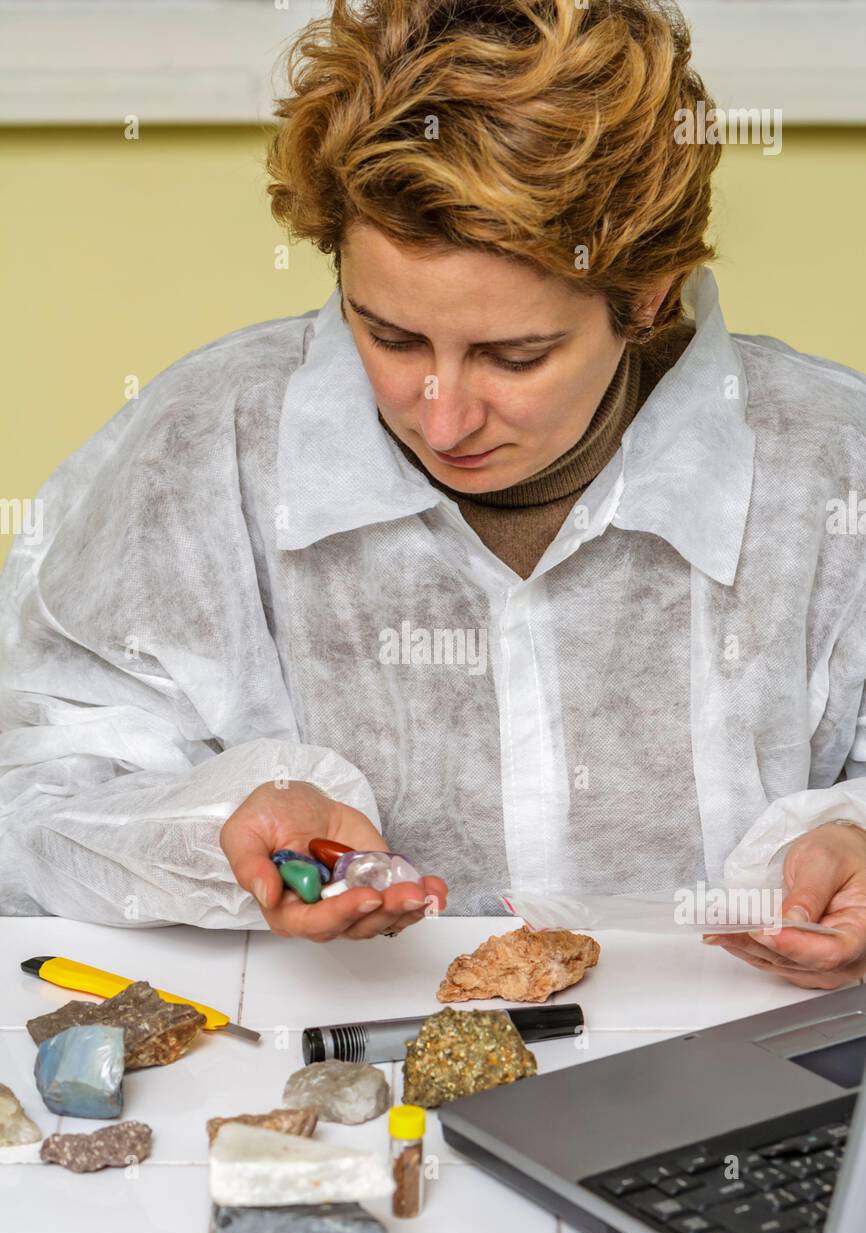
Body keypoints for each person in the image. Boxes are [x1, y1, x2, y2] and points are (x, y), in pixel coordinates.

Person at [1, 0, 865, 987]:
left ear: (647, 295)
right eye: (389, 335)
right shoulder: (211, 444)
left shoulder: (829, 462)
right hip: (318, 1076)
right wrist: (221, 827)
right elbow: (31, 777)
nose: (441, 417)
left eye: (513, 354)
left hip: (734, 1082)